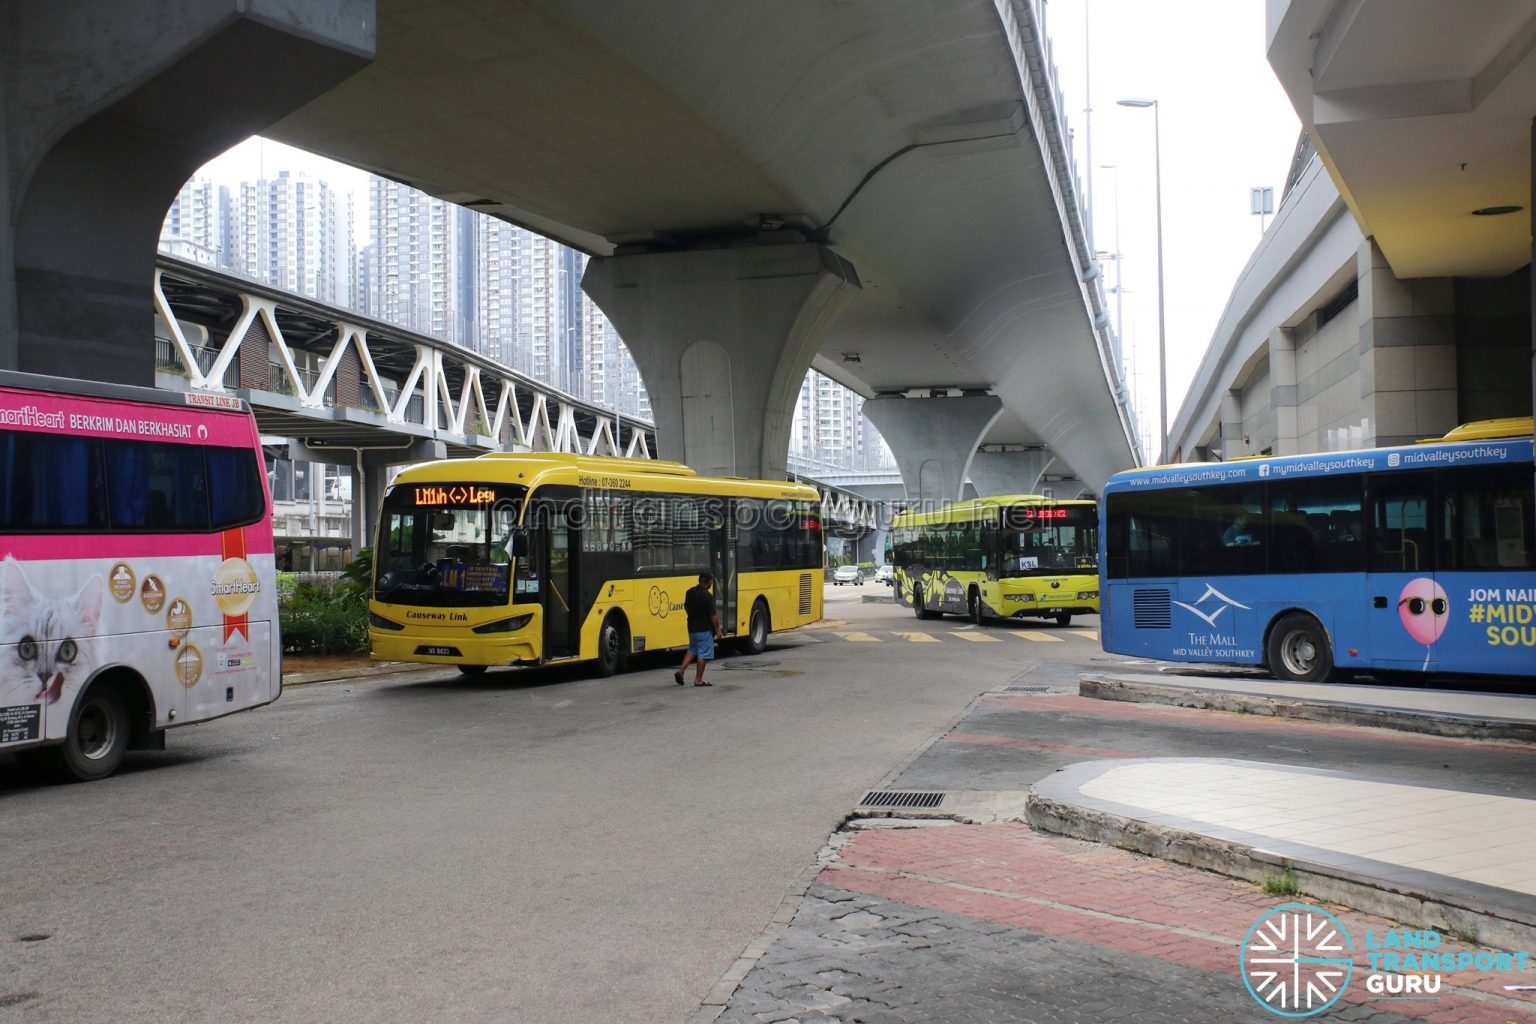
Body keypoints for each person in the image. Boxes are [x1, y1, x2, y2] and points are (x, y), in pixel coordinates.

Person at [675, 571, 720, 687]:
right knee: (703, 654)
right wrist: (718, 630)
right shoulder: (708, 596)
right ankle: (698, 680)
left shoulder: (689, 592)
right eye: (711, 582)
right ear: (708, 582)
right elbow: (713, 615)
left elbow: (686, 607)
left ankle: (681, 670)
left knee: (692, 650)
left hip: (692, 628)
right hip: (704, 629)